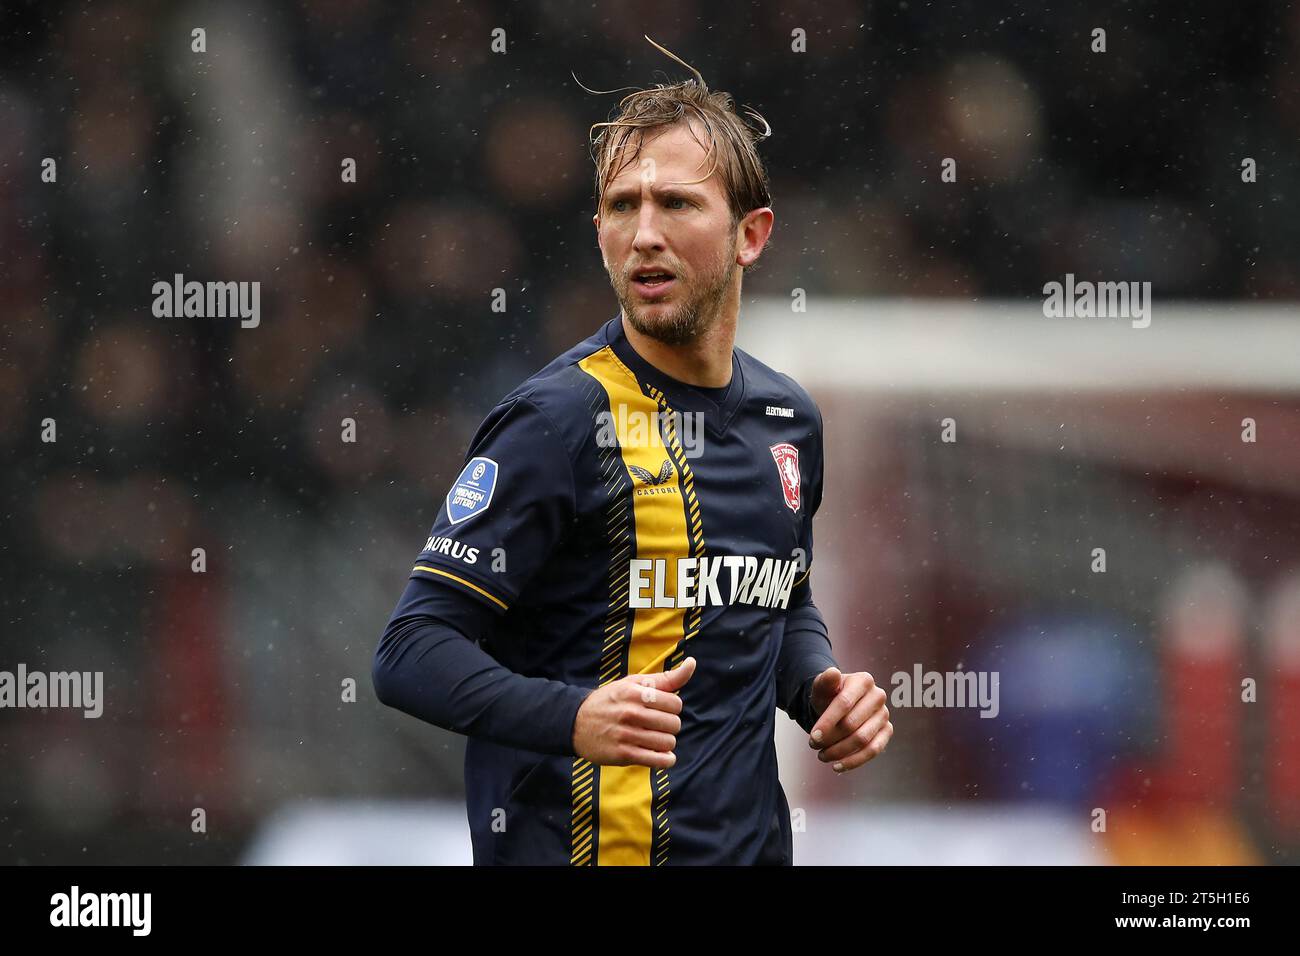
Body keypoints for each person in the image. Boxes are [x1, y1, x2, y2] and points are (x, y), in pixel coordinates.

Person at [373, 41, 892, 865]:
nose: (644, 234)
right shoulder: (557, 422)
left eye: (677, 205)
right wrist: (570, 717)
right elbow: (410, 653)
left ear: (751, 235)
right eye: (622, 206)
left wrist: (818, 685)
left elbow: (778, 600)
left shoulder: (787, 419)